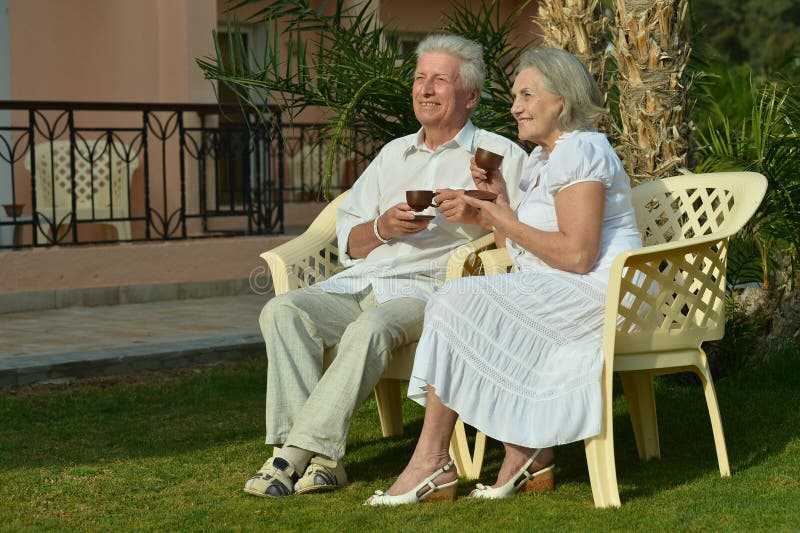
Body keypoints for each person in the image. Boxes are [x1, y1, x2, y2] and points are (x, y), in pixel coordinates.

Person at [244, 34, 528, 498]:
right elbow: (349, 240)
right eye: (419, 78)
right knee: (282, 311)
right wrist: (382, 228)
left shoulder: (498, 155)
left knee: (370, 328)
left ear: (471, 96)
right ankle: (320, 461)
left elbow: (522, 240)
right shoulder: (393, 154)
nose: (425, 89)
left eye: (440, 79)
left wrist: (481, 215)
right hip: (365, 280)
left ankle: (290, 458)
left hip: (432, 290)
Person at [365, 46, 644, 506]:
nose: (515, 107)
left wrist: (500, 217)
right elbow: (518, 254)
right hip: (564, 286)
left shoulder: (581, 149)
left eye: (527, 95)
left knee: (456, 301)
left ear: (563, 100)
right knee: (465, 301)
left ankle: (432, 461)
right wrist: (497, 208)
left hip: (605, 293)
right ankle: (526, 454)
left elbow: (578, 255)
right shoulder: (542, 161)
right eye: (515, 96)